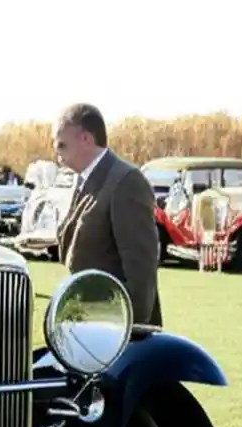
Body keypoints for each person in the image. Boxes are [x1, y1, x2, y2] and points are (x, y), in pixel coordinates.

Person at [53, 103, 163, 326]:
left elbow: (141, 270)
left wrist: (132, 331)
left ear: (86, 139)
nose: (57, 155)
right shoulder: (86, 180)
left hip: (116, 330)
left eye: (62, 145)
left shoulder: (125, 181)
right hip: (91, 324)